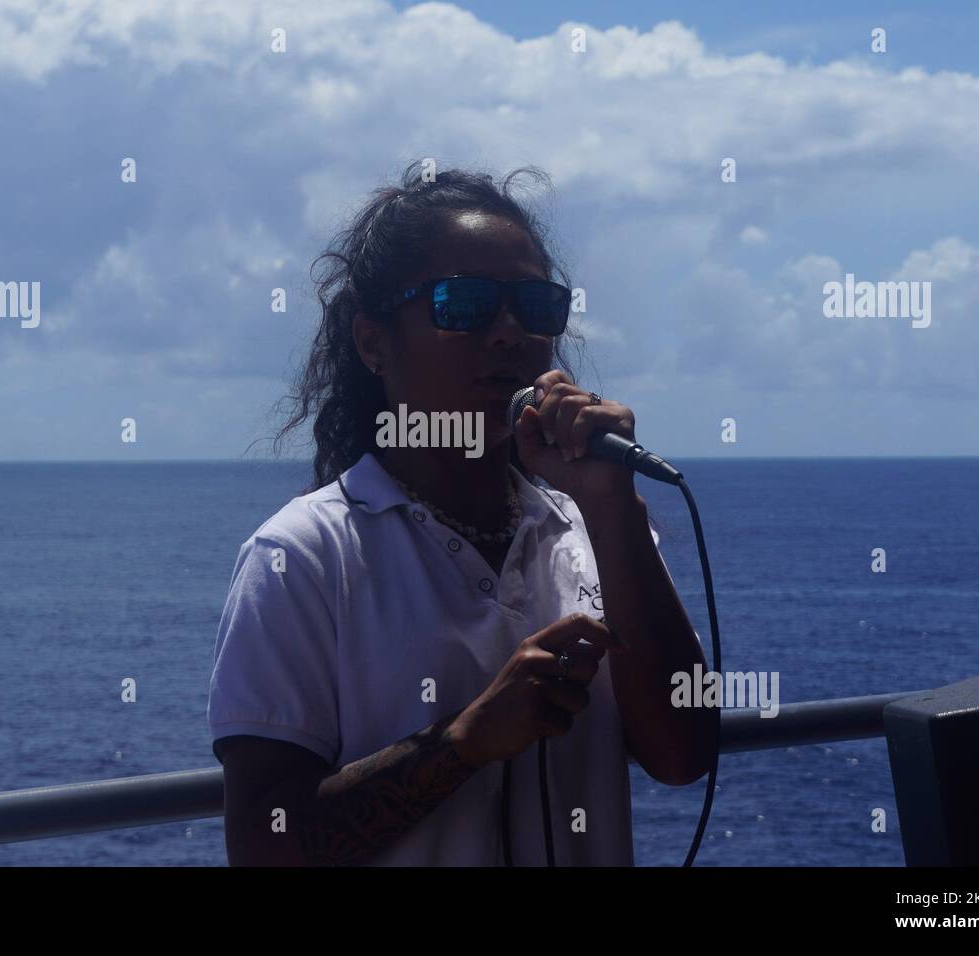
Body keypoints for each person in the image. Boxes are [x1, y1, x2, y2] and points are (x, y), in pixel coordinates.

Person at [206, 161, 716, 866]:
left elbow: (684, 754)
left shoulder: (594, 526)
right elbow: (265, 846)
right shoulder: (303, 555)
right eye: (464, 303)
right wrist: (463, 743)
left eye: (535, 307)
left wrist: (612, 503)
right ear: (373, 342)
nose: (510, 333)